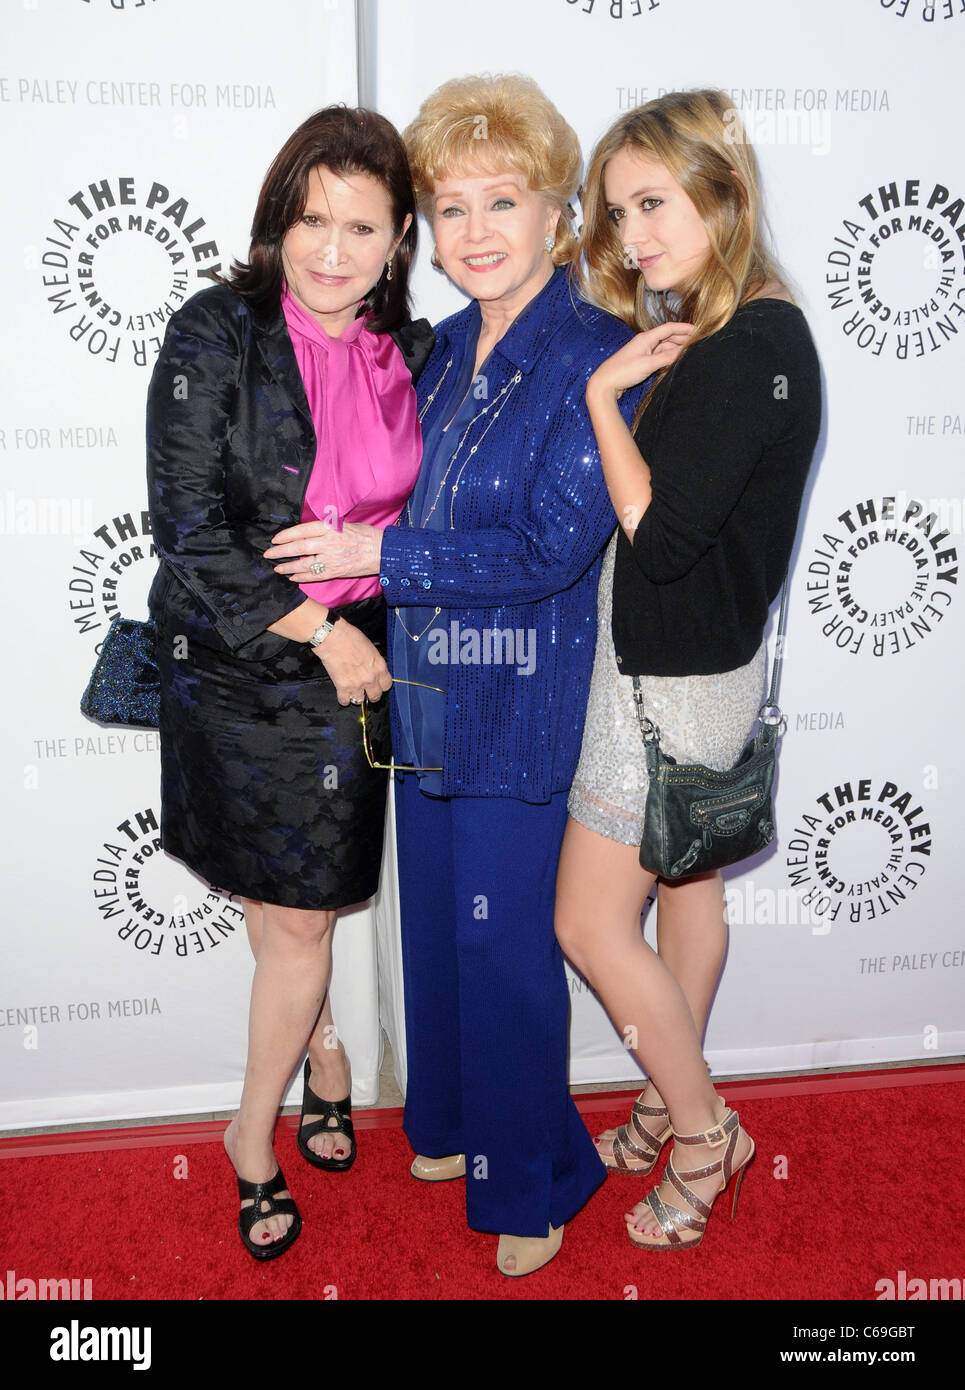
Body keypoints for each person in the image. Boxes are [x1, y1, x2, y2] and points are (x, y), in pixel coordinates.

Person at [264, 74, 642, 1276]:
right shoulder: (432, 350)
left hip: (520, 703)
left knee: (503, 950)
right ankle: (451, 1129)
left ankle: (532, 1178)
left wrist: (381, 553)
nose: (477, 231)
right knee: (433, 929)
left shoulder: (596, 352)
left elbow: (546, 552)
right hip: (416, 698)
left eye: (505, 201)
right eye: (454, 206)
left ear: (555, 214)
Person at [146, 106, 432, 1259]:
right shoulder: (216, 330)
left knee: (299, 915)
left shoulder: (408, 350)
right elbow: (187, 529)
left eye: (360, 226)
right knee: (286, 916)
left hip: (350, 675)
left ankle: (313, 1050)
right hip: (241, 666)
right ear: (279, 218)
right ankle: (252, 1133)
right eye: (312, 218)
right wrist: (324, 630)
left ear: (397, 234)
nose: (331, 249)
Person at [555, 89, 822, 1249]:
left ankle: (708, 1135)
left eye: (654, 201)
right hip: (698, 663)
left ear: (724, 189)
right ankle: (669, 1096)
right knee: (688, 888)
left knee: (586, 924)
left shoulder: (742, 349)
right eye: (616, 213)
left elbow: (658, 540)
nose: (632, 236)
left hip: (667, 676)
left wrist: (602, 397)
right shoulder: (739, 330)